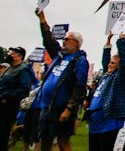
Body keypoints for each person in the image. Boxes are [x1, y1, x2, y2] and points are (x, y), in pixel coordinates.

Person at [33, 9, 89, 151]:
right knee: (45, 139)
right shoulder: (59, 56)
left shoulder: (80, 60)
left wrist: (69, 109)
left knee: (63, 141)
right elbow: (48, 40)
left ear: (76, 43)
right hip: (47, 106)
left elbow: (80, 87)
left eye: (67, 39)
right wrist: (42, 18)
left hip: (62, 108)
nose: (63, 40)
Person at [86, 33, 125, 151]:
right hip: (95, 124)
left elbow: (124, 60)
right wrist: (108, 41)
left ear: (119, 66)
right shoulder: (105, 76)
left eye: (112, 63)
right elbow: (105, 60)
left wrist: (122, 41)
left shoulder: (120, 78)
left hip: (109, 124)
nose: (109, 64)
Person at [0, 46, 33, 151]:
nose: (10, 55)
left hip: (5, 107)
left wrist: (6, 98)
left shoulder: (23, 70)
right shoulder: (9, 68)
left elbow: (24, 90)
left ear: (20, 57)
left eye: (14, 54)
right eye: (11, 53)